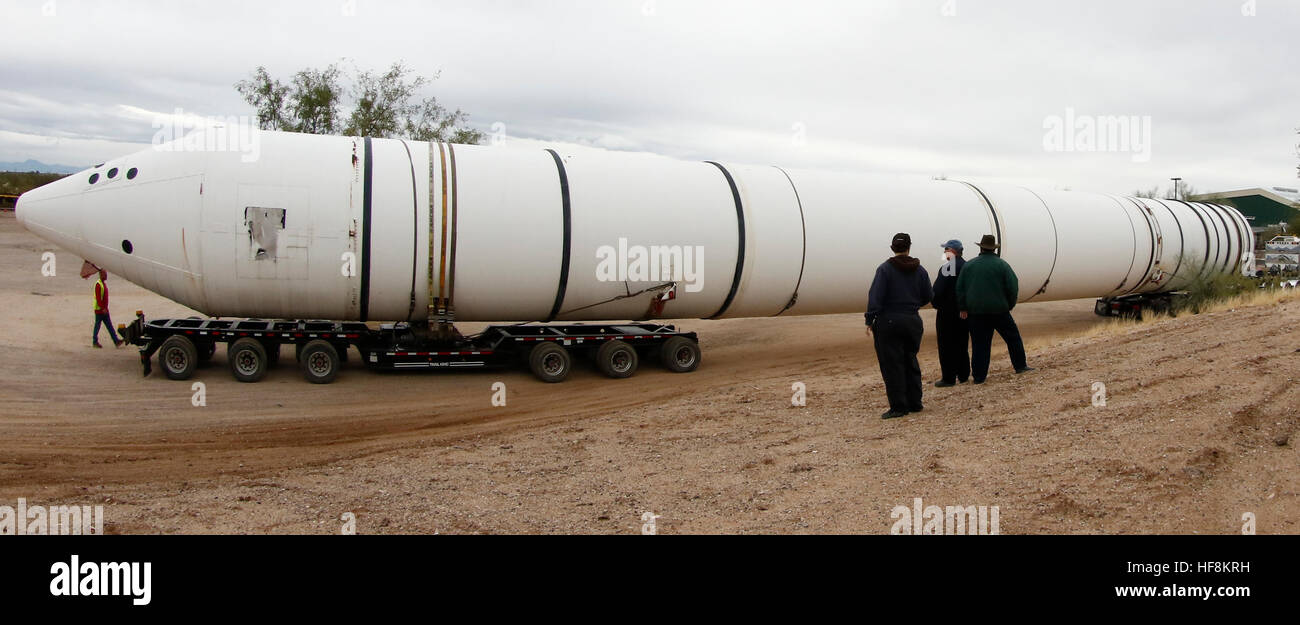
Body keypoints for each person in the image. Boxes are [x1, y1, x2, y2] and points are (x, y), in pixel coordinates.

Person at [865, 233, 933, 419]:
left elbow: (875, 297)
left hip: (889, 321)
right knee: (910, 359)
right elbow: (928, 295)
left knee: (892, 364)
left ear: (892, 248)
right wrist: (912, 305)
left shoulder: (885, 270)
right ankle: (915, 402)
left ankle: (898, 406)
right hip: (912, 320)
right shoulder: (920, 270)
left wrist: (870, 319)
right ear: (909, 247)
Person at [955, 235, 1033, 384]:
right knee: (1013, 338)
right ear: (994, 249)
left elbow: (960, 289)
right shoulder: (1002, 265)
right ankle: (1020, 366)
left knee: (980, 345)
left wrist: (963, 307)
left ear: (981, 248)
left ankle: (979, 377)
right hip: (999, 311)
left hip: (976, 313)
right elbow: (1013, 286)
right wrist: (1008, 305)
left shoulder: (969, 265)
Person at [931, 239, 969, 387]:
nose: (944, 252)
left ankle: (948, 377)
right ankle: (964, 374)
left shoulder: (948, 267)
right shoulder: (967, 266)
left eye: (945, 250)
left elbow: (938, 290)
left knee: (946, 345)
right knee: (962, 343)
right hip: (964, 312)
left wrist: (936, 304)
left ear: (952, 251)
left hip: (947, 313)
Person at [93, 269, 123, 349]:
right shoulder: (99, 285)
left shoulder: (102, 284)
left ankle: (116, 341)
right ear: (101, 275)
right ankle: (95, 341)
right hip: (100, 310)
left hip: (104, 310)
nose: (106, 275)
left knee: (109, 326)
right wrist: (103, 308)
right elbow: (99, 298)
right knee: (98, 326)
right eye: (105, 274)